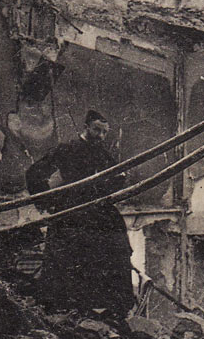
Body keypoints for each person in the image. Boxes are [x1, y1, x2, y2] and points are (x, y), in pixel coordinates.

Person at [25, 110, 135, 319]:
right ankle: (62, 308)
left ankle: (111, 307)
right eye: (97, 130)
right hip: (72, 209)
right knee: (67, 254)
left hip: (97, 209)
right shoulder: (67, 149)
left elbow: (113, 179)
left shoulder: (103, 153)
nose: (101, 136)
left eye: (104, 132)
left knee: (116, 243)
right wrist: (45, 202)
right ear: (86, 127)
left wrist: (120, 179)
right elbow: (34, 172)